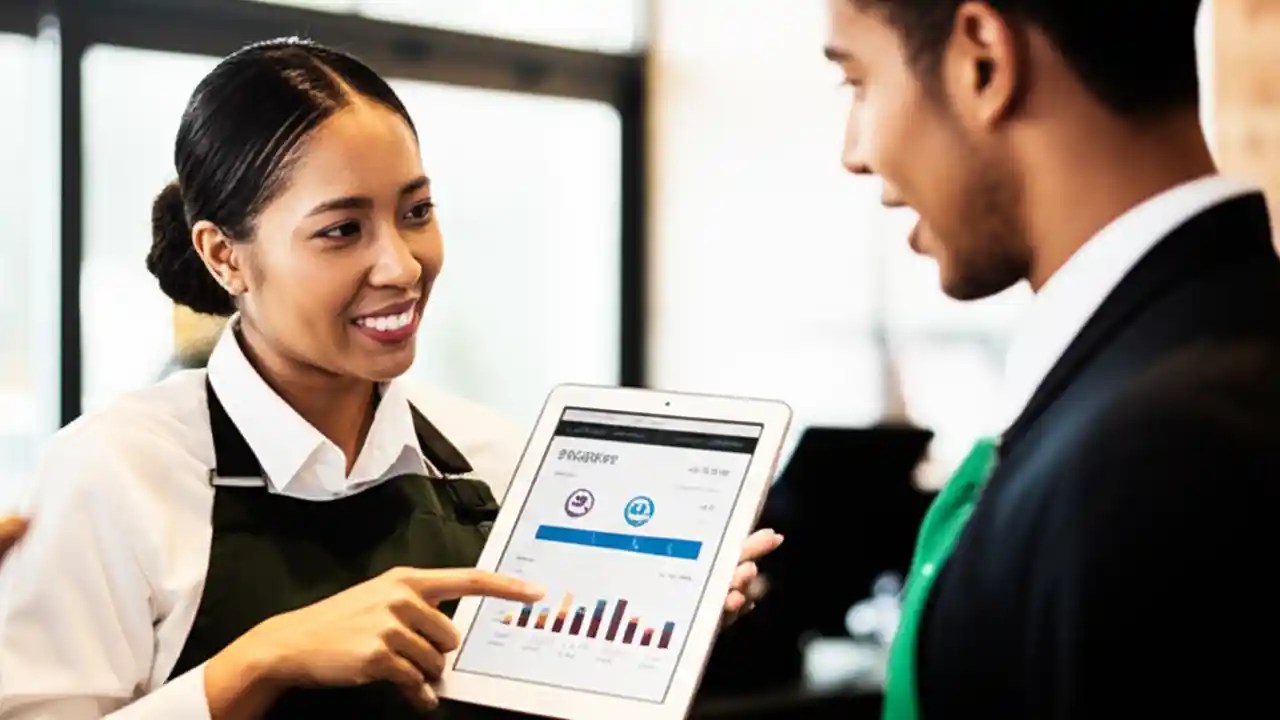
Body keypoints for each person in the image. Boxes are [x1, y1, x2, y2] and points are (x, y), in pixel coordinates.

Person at [0, 38, 780, 719]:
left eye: (415, 212)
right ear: (224, 255)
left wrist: (646, 647)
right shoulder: (112, 475)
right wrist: (257, 663)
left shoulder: (498, 459)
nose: (402, 266)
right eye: (342, 230)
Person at [822, 0, 1280, 718]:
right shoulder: (1206, 363)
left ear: (983, 61)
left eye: (859, 82)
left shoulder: (1150, 463)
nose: (855, 151)